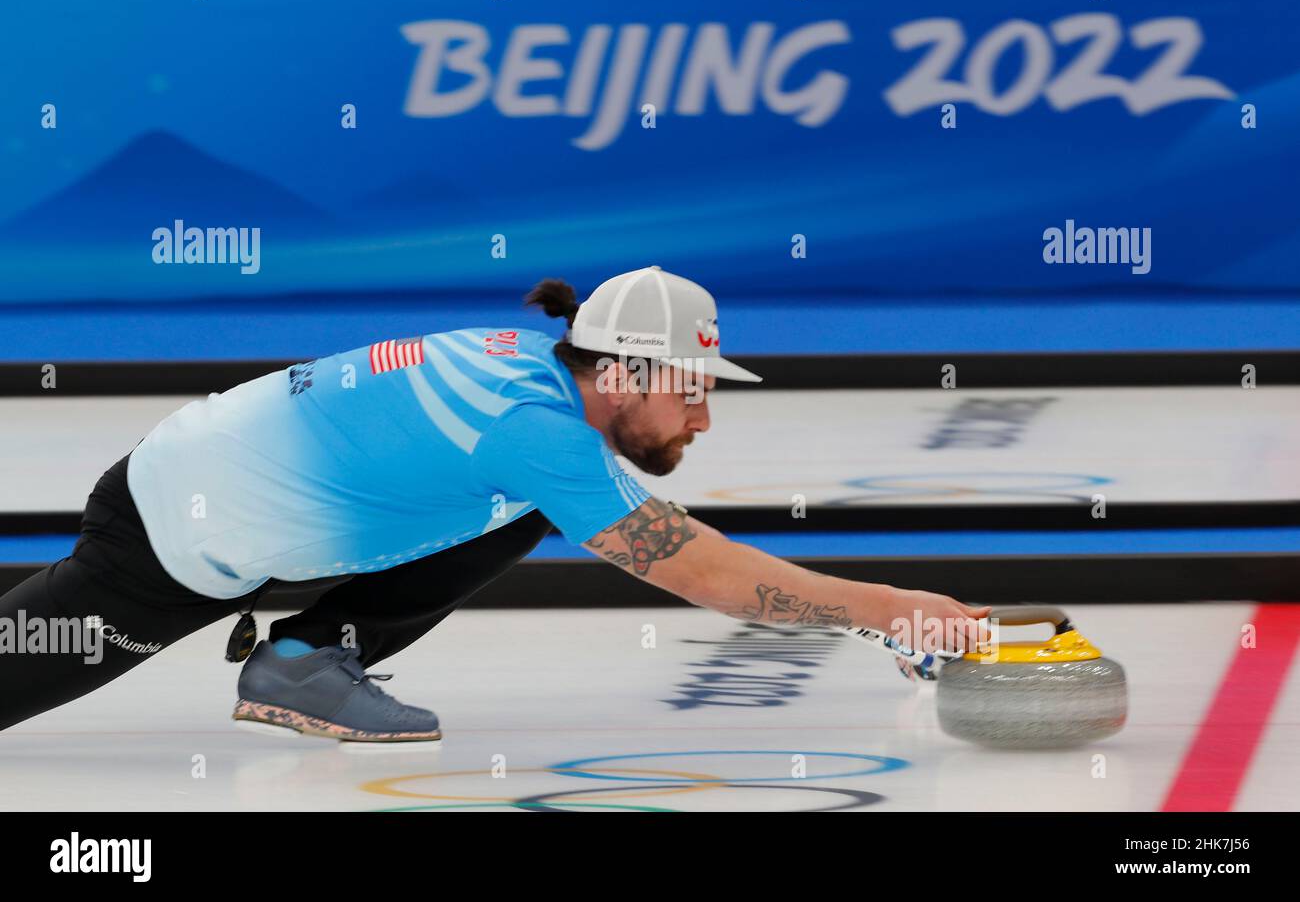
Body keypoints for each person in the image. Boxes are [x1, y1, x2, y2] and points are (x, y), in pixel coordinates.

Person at [0, 266, 988, 744]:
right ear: (629, 368)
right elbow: (706, 573)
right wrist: (892, 607)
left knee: (542, 502)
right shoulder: (532, 425)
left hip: (233, 508)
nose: (701, 416)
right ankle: (304, 657)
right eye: (691, 388)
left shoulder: (535, 377)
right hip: (173, 538)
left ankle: (306, 657)